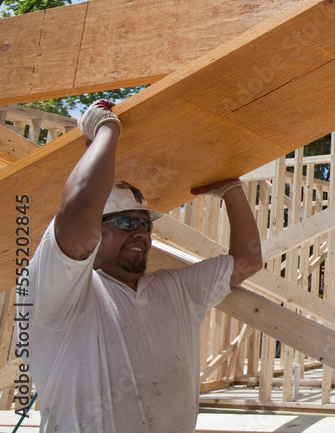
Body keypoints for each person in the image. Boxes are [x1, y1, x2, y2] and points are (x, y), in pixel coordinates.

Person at [20, 99, 264, 432]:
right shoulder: (60, 292)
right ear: (97, 227)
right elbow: (77, 214)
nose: (140, 234)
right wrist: (106, 129)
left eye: (145, 225)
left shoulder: (177, 290)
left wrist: (230, 188)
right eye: (124, 223)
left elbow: (248, 260)